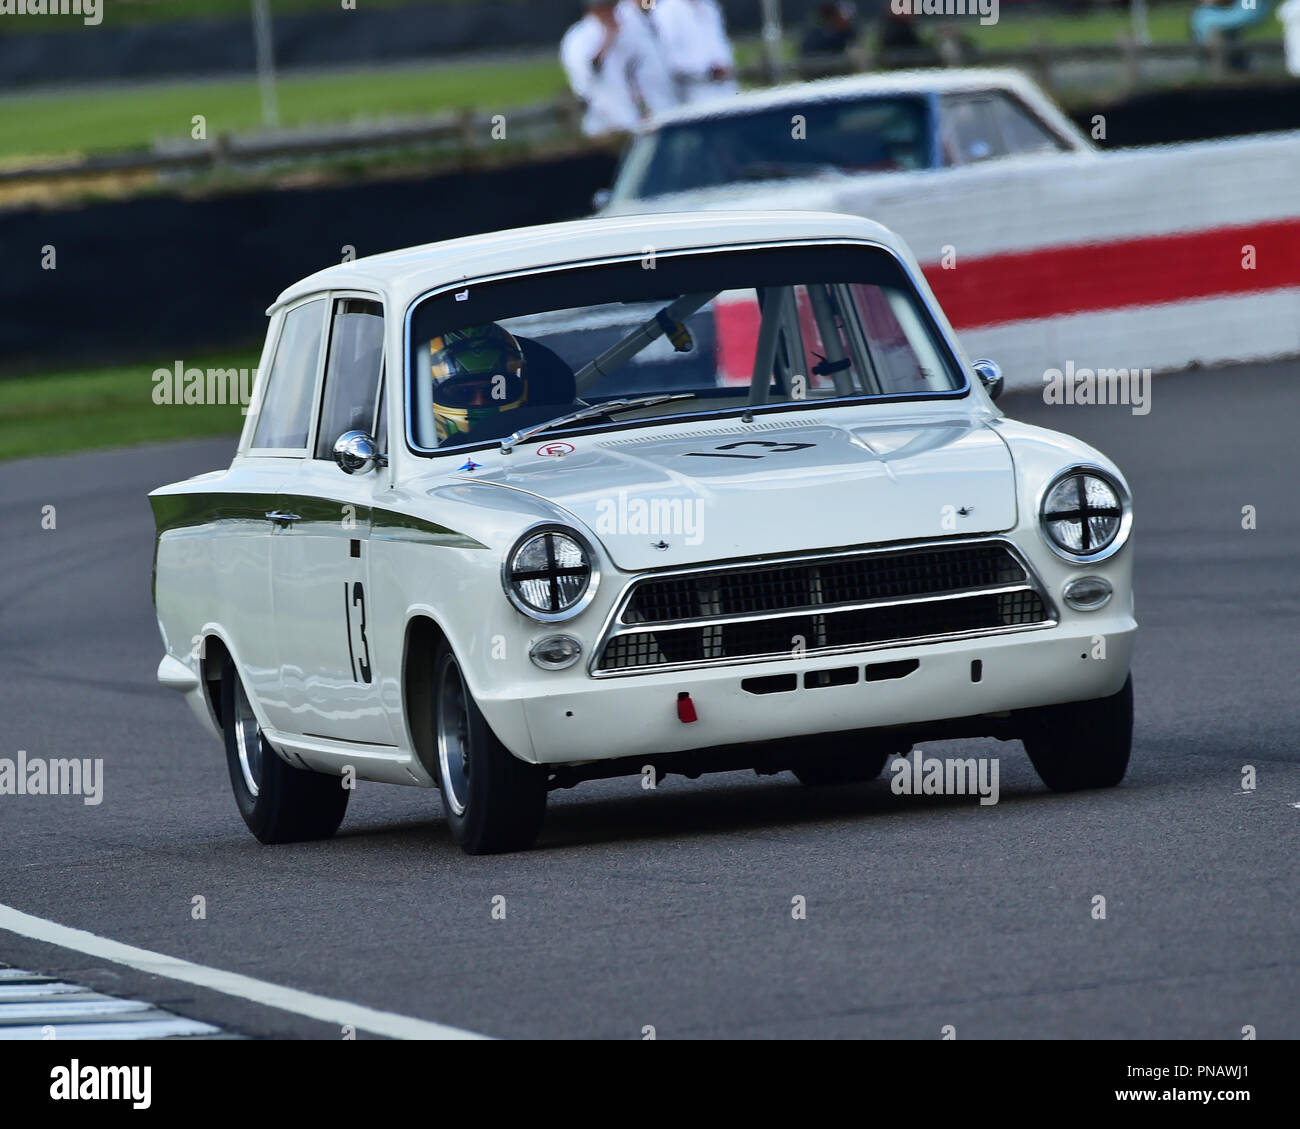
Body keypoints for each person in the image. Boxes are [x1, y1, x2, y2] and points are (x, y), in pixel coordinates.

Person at [561, 0, 644, 136]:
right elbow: (587, 73)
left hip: (630, 113)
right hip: (600, 118)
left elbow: (634, 69)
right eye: (606, 8)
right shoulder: (578, 36)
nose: (611, 13)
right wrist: (607, 41)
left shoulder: (624, 32)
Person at [650, 0, 739, 105]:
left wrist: (726, 66)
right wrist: (708, 72)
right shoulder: (666, 11)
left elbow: (722, 46)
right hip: (694, 99)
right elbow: (670, 60)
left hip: (727, 93)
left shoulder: (709, 7)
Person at [616, 0, 680, 115]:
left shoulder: (656, 13)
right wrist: (641, 107)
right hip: (647, 107)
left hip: (672, 97)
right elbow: (622, 72)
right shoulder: (622, 20)